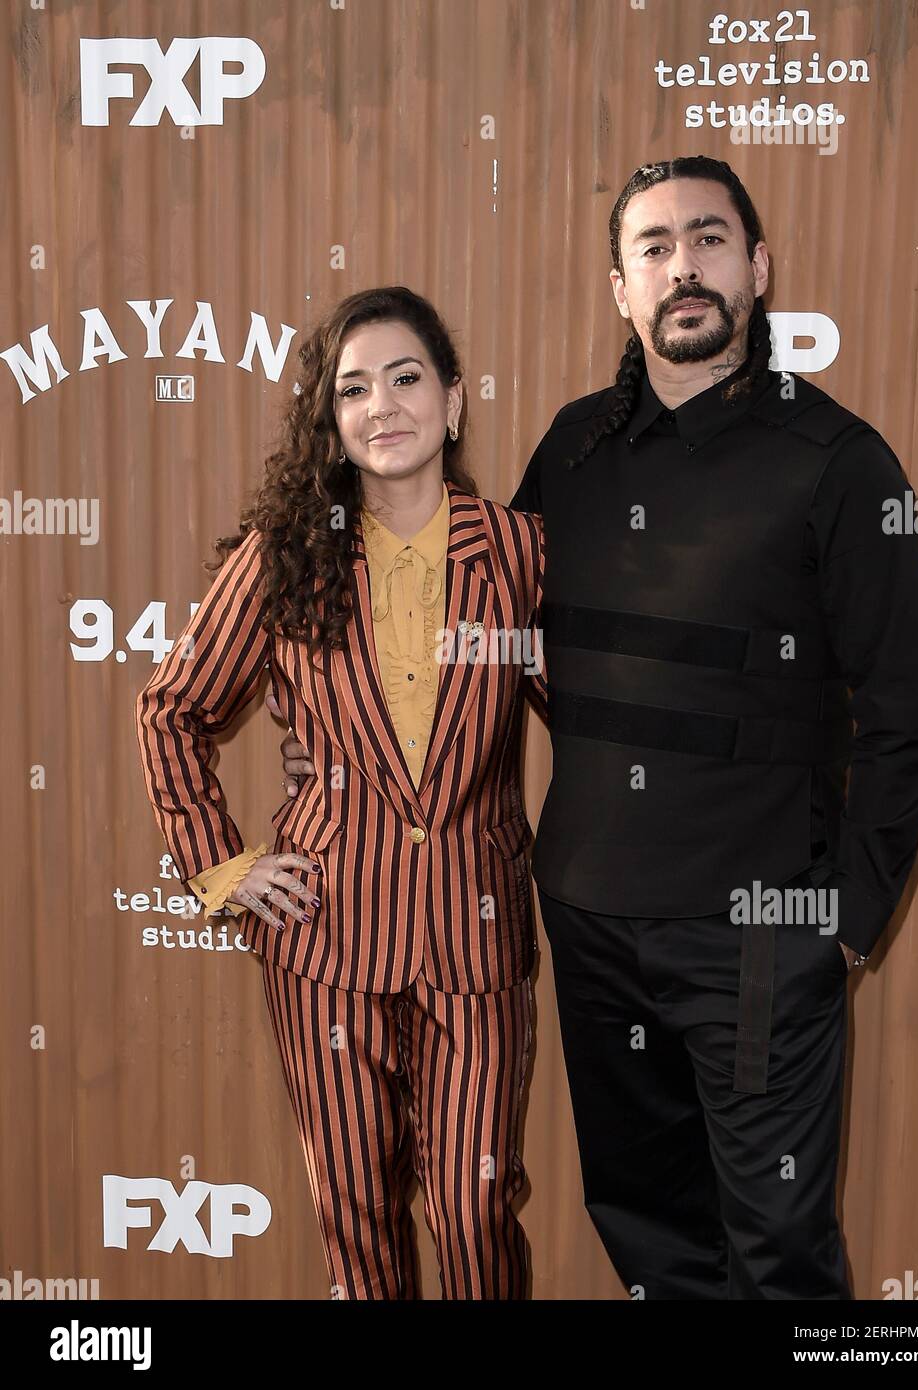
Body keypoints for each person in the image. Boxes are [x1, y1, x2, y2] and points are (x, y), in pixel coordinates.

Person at [284, 156, 918, 1300]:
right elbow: (512, 642)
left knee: (780, 1252)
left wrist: (842, 923)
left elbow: (904, 721)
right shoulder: (574, 449)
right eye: (654, 248)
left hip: (757, 935)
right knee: (649, 1236)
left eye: (708, 240)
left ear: (758, 268)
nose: (681, 268)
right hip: (589, 918)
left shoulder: (840, 462)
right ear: (620, 288)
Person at [135, 286, 546, 1300]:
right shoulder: (284, 560)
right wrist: (223, 868)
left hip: (475, 931)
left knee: (473, 1204)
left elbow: (597, 714)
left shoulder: (523, 553)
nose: (381, 405)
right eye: (352, 389)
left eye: (404, 378)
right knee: (355, 1214)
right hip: (325, 934)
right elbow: (171, 707)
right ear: (333, 420)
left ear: (453, 401)